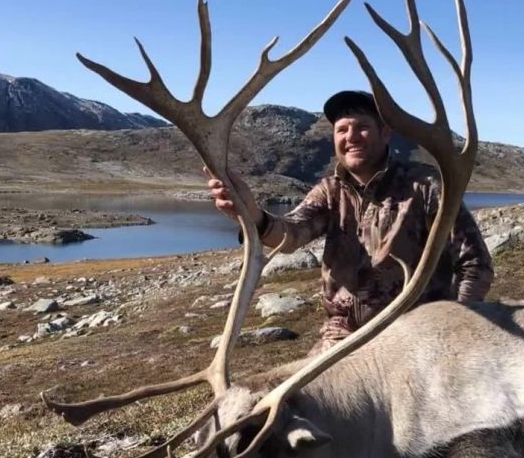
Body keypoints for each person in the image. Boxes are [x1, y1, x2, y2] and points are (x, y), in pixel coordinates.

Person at [207, 90, 493, 353]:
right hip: (343, 335)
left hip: (414, 333)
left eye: (362, 127)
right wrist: (251, 214)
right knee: (296, 399)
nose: (351, 136)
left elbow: (474, 264)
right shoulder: (330, 191)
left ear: (385, 132)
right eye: (342, 129)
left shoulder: (425, 185)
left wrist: (453, 325)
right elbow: (291, 233)